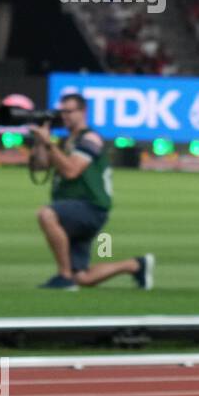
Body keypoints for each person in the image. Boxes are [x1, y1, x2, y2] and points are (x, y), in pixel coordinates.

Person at [30, 93, 154, 291]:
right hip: (74, 207)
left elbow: (71, 171)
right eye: (62, 112)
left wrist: (49, 144)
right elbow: (40, 167)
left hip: (89, 206)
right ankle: (136, 265)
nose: (65, 116)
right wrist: (40, 140)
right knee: (83, 278)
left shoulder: (90, 138)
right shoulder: (66, 141)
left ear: (83, 112)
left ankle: (63, 277)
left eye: (70, 111)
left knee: (46, 214)